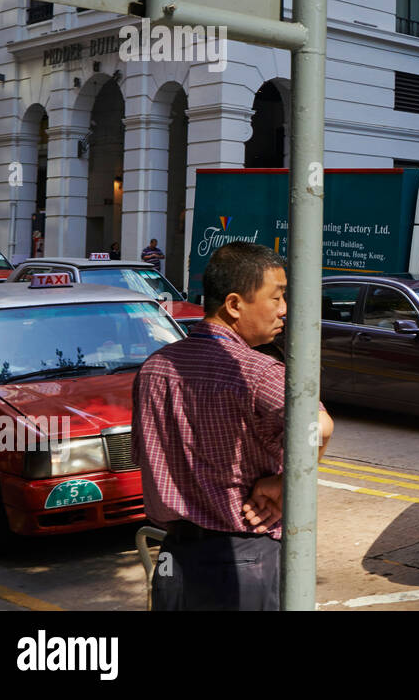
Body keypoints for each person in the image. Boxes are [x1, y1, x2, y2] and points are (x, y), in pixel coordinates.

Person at [131, 241, 334, 610]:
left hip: (173, 559)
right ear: (235, 304)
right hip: (242, 559)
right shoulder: (259, 372)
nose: (284, 310)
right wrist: (283, 484)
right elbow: (319, 427)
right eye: (276, 298)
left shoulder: (155, 368)